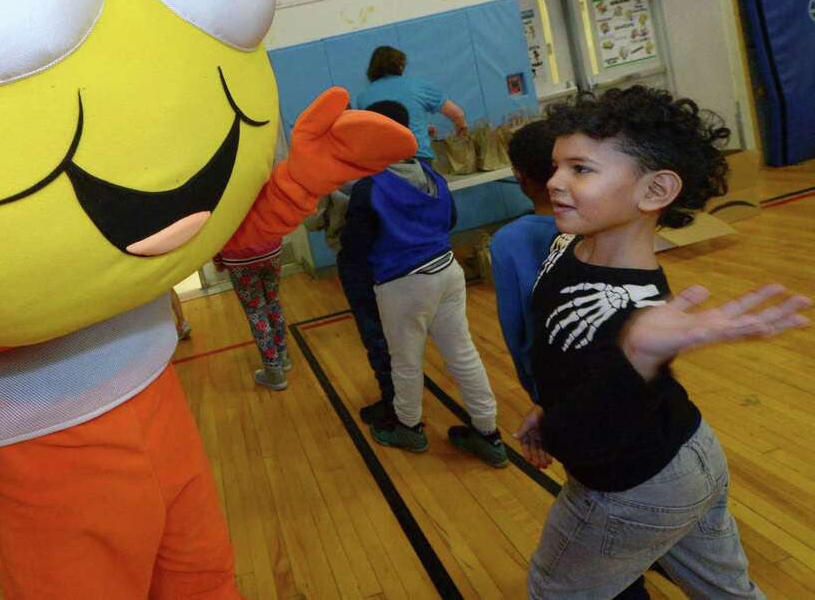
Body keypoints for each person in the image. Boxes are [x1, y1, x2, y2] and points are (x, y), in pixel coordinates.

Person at [516, 85, 810, 599]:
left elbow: (591, 434)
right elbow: (568, 360)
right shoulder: (566, 240)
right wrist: (549, 408)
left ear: (654, 192)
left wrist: (635, 356)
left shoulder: (641, 311)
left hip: (637, 487)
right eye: (556, 165)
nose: (555, 181)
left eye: (581, 169)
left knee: (555, 590)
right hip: (688, 452)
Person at [342, 100, 507, 467]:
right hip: (447, 272)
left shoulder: (370, 188)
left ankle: (409, 428)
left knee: (405, 360)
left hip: (403, 283)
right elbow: (449, 220)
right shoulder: (432, 174)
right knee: (463, 353)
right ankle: (488, 433)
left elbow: (355, 247)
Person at [306, 184, 394, 425]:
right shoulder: (381, 158)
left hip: (354, 254)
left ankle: (393, 401)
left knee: (374, 330)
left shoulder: (324, 167)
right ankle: (407, 393)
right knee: (401, 328)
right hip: (393, 245)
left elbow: (312, 221)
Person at [489, 119, 559, 402]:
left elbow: (514, 324)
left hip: (552, 379)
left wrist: (532, 386)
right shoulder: (605, 221)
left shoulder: (508, 240)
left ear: (519, 175)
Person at [354, 46, 468, 164]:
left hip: (384, 164)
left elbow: (385, 123)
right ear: (400, 66)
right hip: (417, 157)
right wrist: (462, 128)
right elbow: (457, 114)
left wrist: (424, 127)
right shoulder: (417, 86)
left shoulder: (363, 97)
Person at [215, 239, 292, 390]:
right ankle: (283, 358)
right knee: (273, 303)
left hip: (239, 258)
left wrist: (218, 259)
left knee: (255, 312)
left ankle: (274, 372)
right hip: (271, 249)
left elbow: (217, 228)